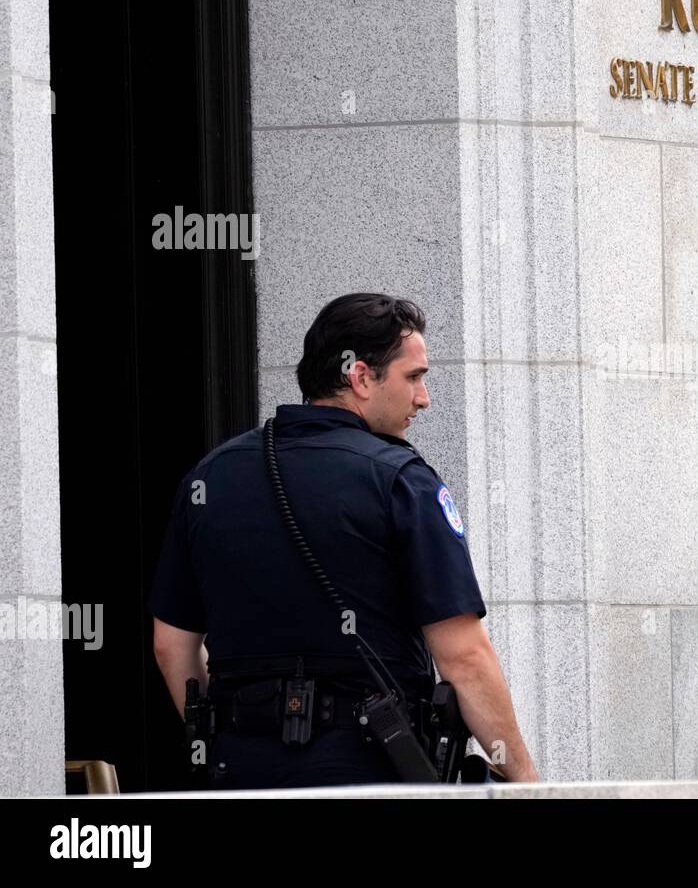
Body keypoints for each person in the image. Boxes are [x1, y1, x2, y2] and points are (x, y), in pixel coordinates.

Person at [150, 292, 537, 787]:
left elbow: (171, 647)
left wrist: (225, 733)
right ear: (360, 377)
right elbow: (463, 657)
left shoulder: (210, 477)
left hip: (239, 773)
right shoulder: (402, 480)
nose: (424, 397)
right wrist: (527, 781)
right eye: (413, 377)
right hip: (371, 772)